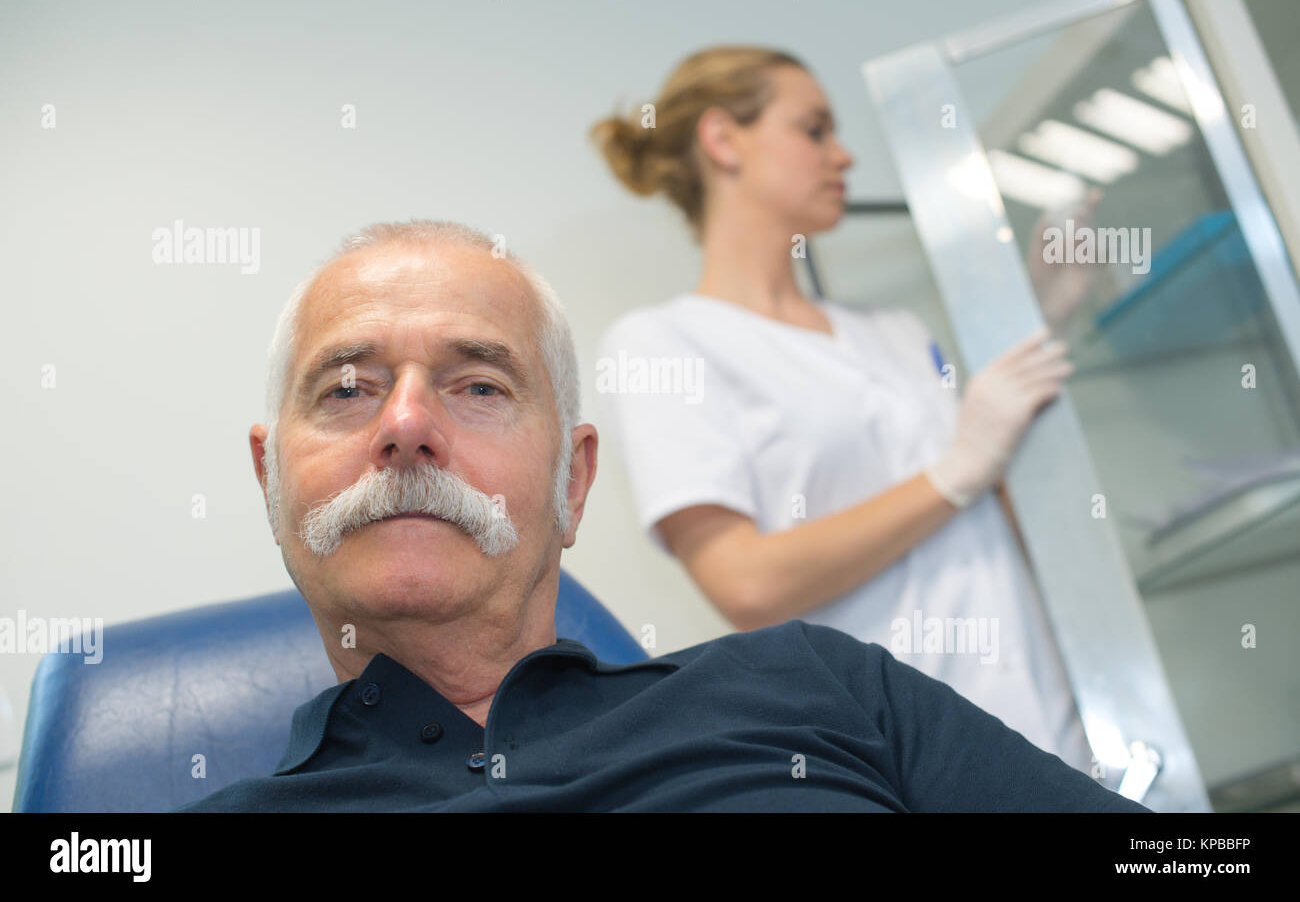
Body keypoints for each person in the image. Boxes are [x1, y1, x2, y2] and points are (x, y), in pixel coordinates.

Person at [171, 218, 1147, 812]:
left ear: (574, 484)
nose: (409, 423)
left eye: (476, 385)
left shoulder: (815, 688)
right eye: (347, 387)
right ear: (270, 478)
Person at [589, 46, 1097, 774]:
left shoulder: (894, 332)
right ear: (722, 140)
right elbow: (747, 585)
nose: (845, 155)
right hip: (908, 759)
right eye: (815, 130)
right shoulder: (665, 341)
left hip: (1057, 724)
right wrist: (955, 473)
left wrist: (1034, 324)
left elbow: (997, 510)